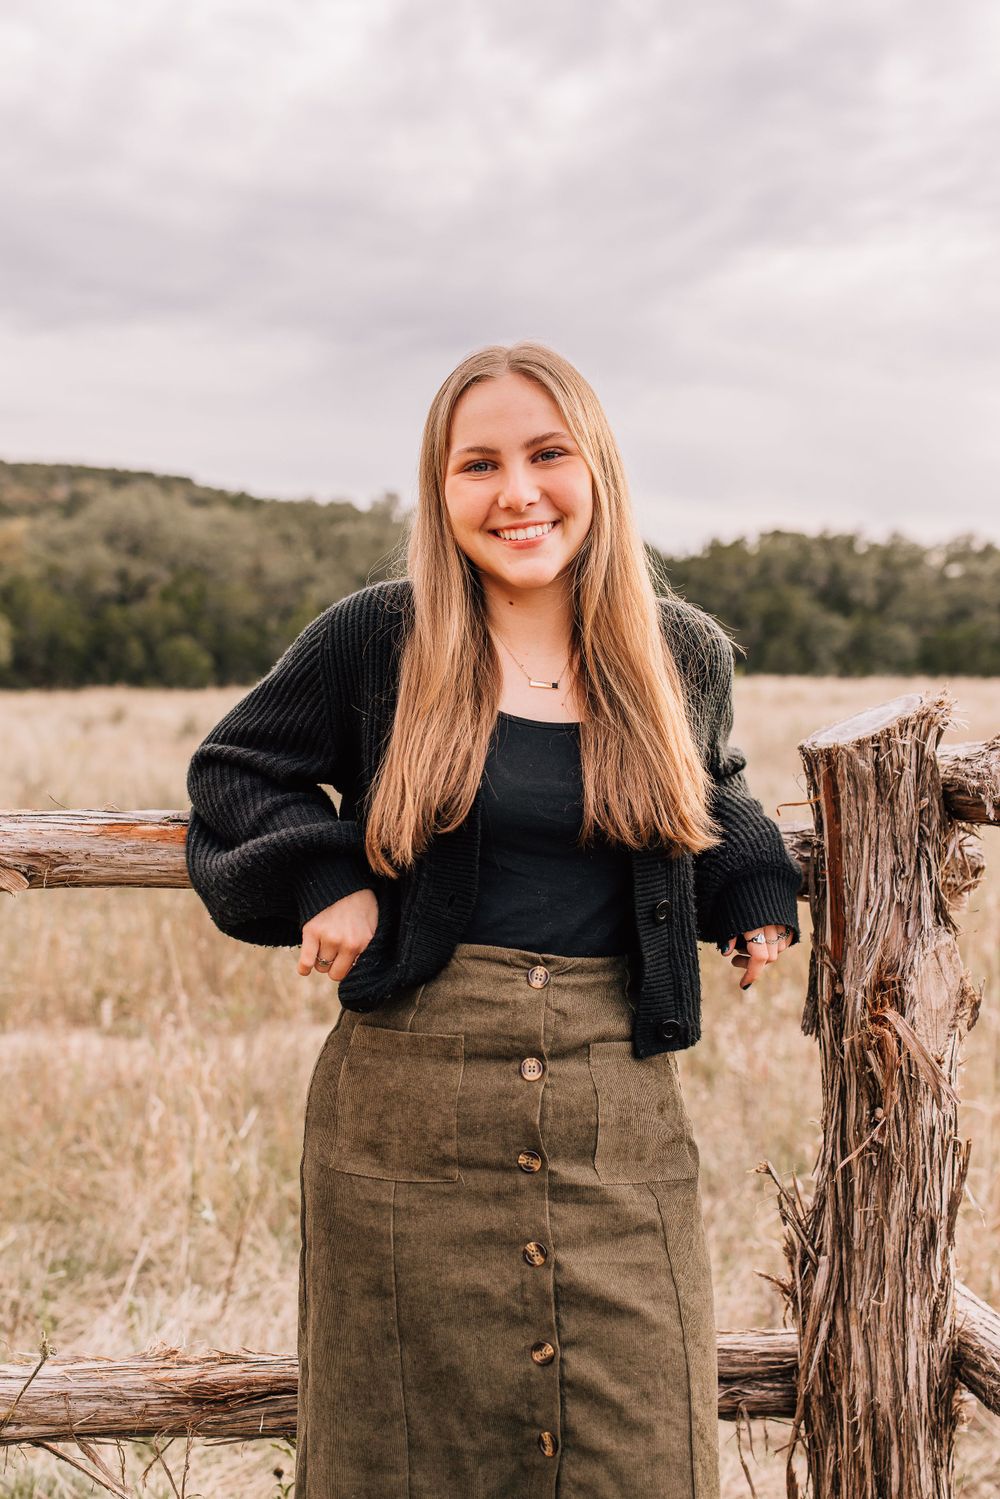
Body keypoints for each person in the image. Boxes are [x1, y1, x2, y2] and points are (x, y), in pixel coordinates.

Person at [184, 340, 802, 1498]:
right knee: (404, 1460)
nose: (517, 492)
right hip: (405, 1129)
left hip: (618, 1122)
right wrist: (325, 875)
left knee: (642, 1454)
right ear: (441, 488)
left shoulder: (677, 649)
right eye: (478, 464)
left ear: (596, 465)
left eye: (546, 454)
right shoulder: (378, 635)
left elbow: (711, 785)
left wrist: (752, 885)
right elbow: (235, 770)